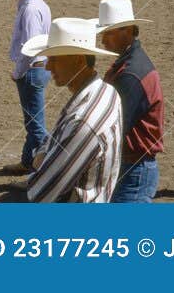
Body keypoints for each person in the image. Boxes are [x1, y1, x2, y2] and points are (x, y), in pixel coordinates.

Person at [24, 18, 123, 203]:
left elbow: (41, 192)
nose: (47, 66)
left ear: (78, 60)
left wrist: (42, 160)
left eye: (54, 59)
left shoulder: (83, 121)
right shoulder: (107, 91)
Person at [94, 0, 163, 203]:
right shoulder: (130, 64)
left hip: (133, 169)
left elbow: (113, 125)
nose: (103, 40)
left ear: (128, 30)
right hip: (132, 167)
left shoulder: (131, 74)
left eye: (109, 33)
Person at [0, 0, 51, 173]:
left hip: (32, 69)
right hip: (41, 68)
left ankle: (45, 168)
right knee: (33, 121)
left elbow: (30, 47)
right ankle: (27, 162)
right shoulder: (39, 5)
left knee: (36, 125)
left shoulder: (29, 10)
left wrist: (17, 72)